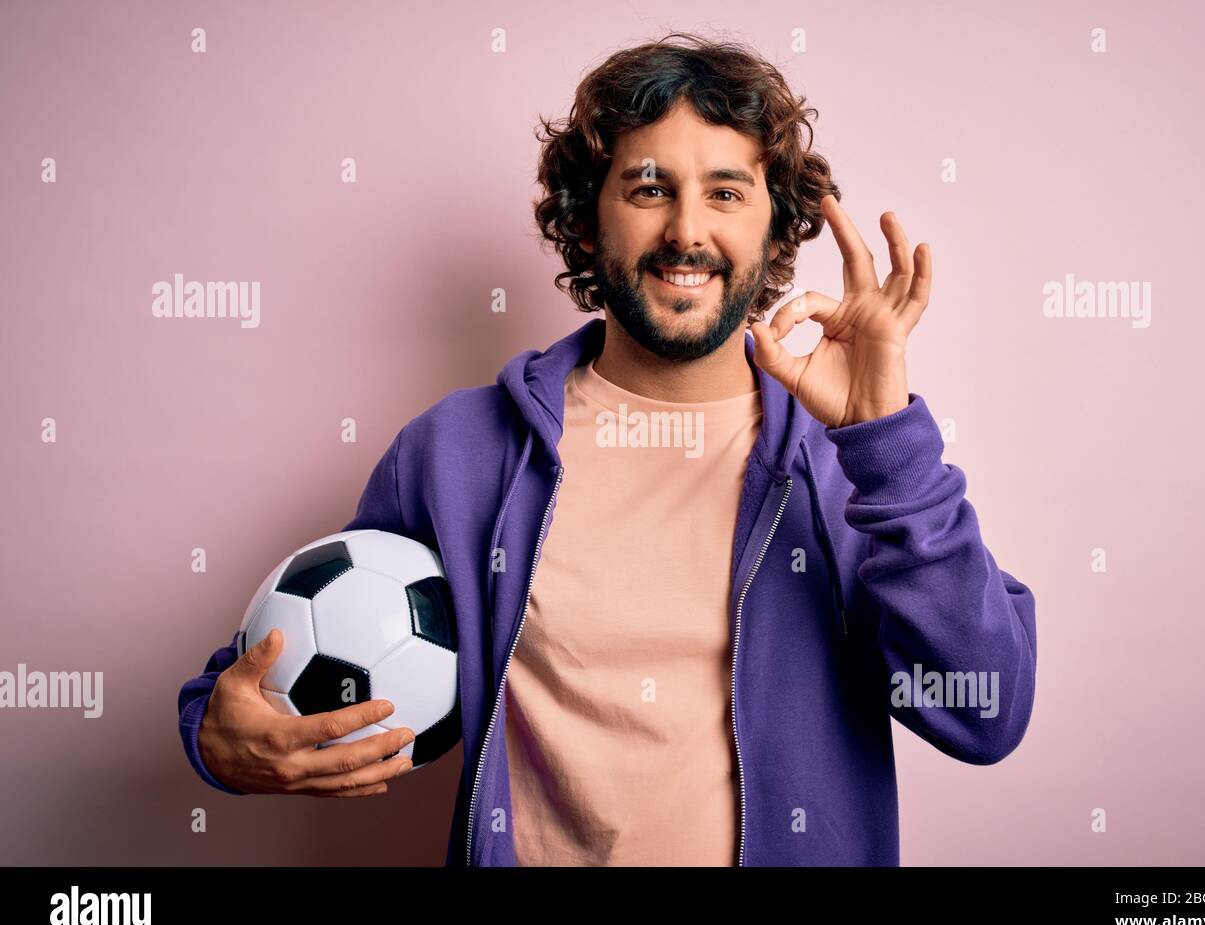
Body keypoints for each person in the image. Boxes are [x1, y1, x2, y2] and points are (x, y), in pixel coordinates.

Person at [177, 32, 1036, 867]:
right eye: (649, 189)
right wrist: (214, 738)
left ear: (777, 236)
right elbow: (268, 667)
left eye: (728, 193)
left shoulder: (851, 467)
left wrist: (883, 440)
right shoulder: (456, 454)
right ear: (588, 224)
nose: (687, 231)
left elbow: (984, 717)